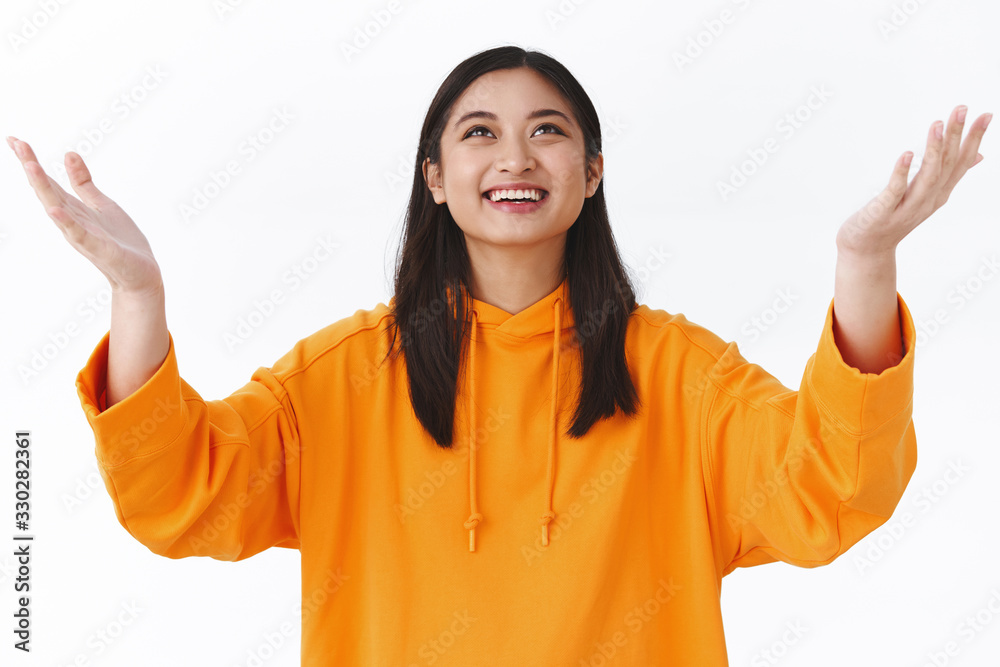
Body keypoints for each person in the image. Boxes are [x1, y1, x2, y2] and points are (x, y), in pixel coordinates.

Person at [9, 44, 990, 666]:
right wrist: (137, 297)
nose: (515, 157)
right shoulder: (343, 376)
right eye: (479, 134)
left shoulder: (680, 375)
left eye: (547, 133)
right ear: (436, 177)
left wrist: (865, 265)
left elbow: (833, 485)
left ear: (591, 173)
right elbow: (181, 491)